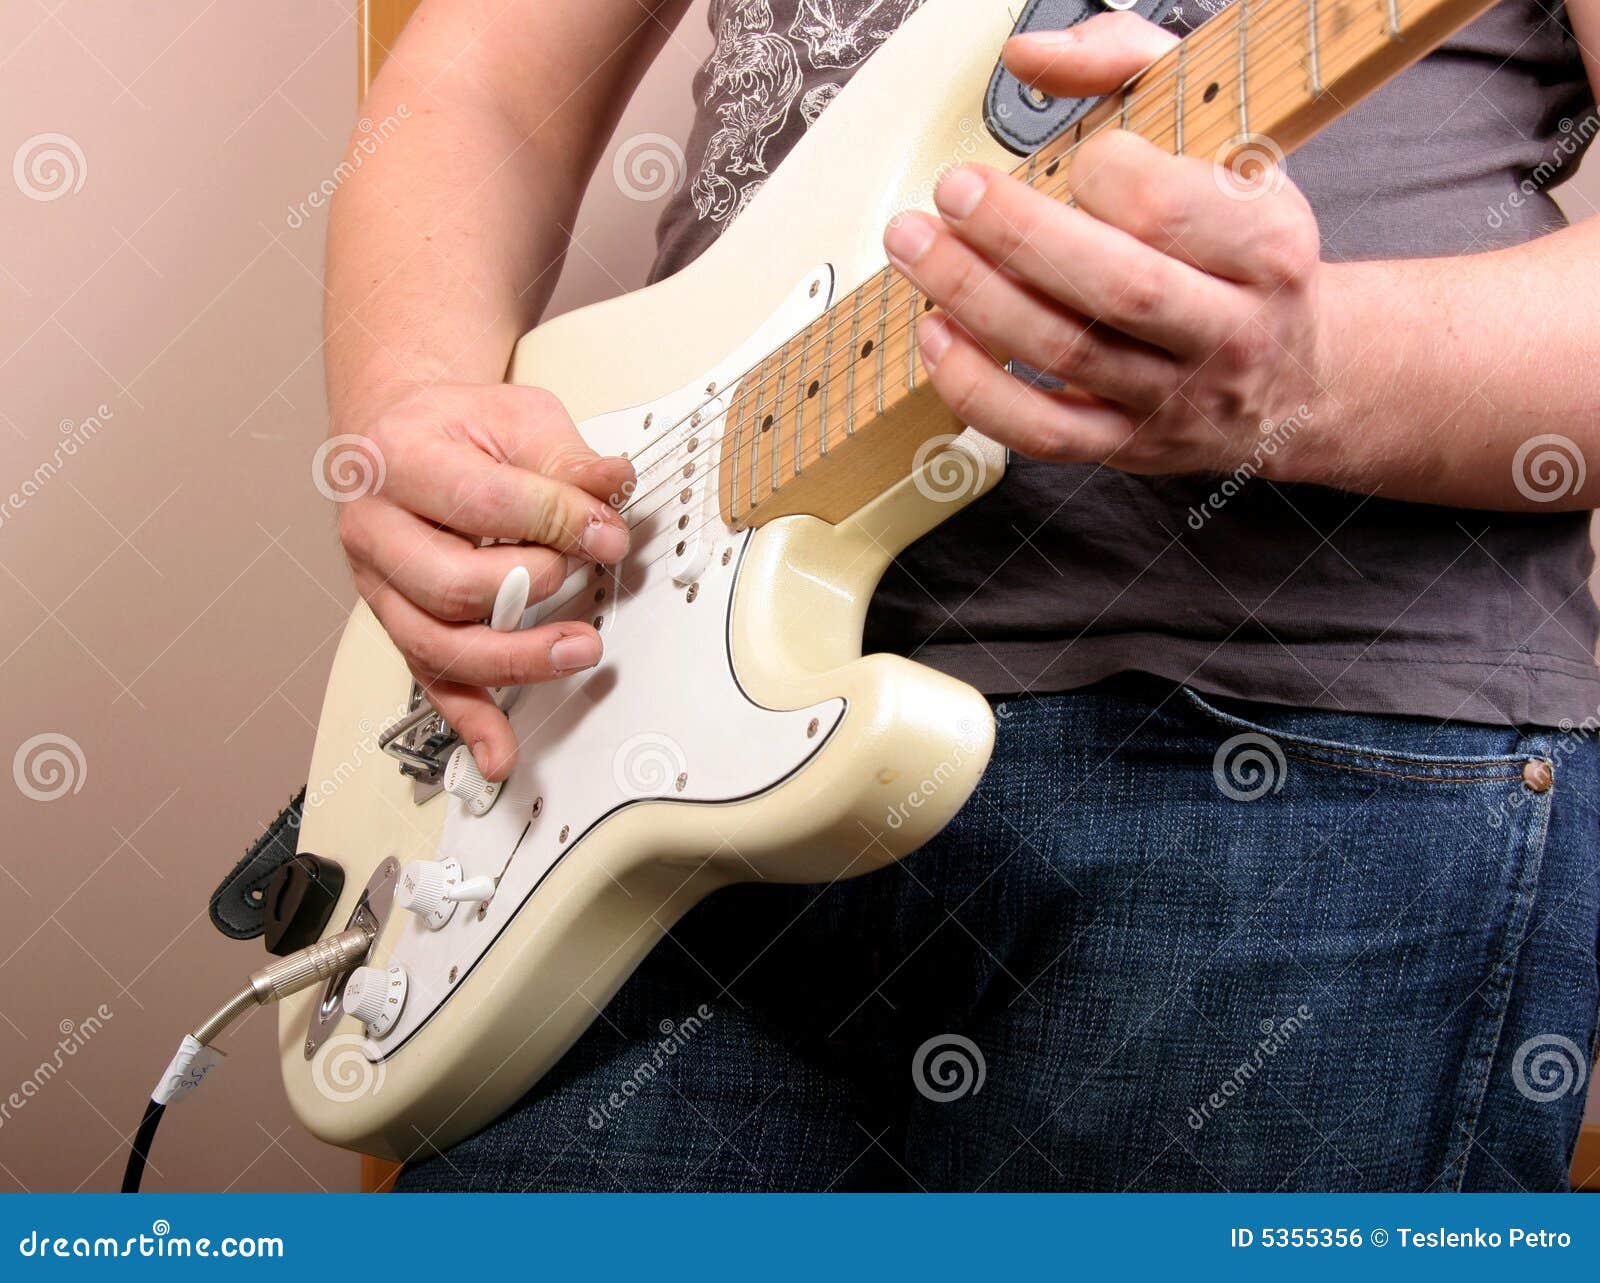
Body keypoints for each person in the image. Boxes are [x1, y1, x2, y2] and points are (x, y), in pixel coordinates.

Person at [323, 0, 1600, 1190]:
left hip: (1304, 757)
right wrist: (411, 406)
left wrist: (1311, 373)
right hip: (630, 720)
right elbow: (474, 83)